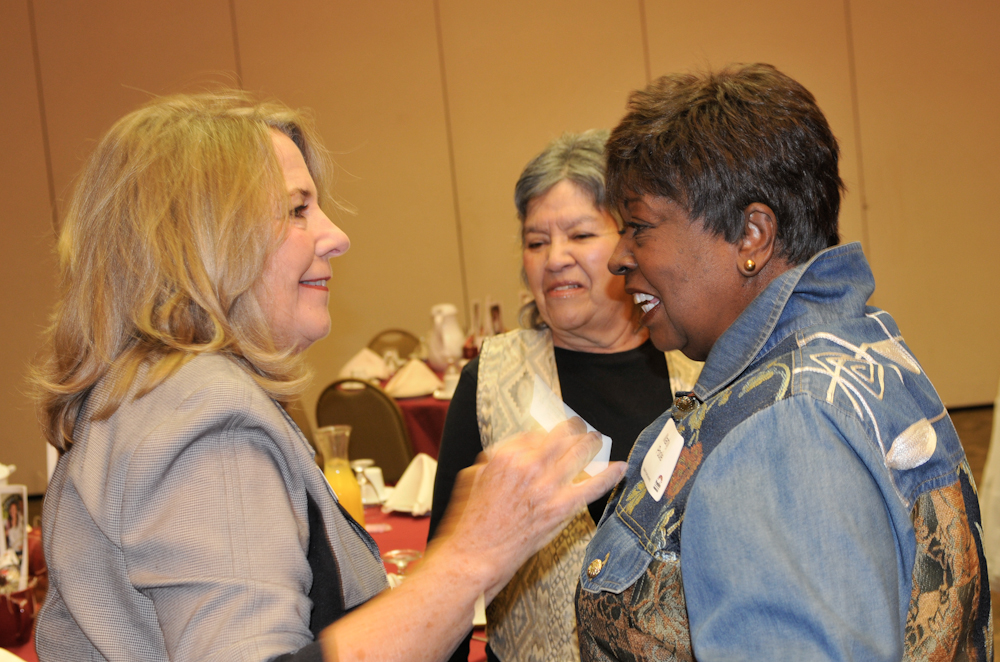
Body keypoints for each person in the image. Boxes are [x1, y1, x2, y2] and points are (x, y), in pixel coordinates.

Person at [31, 90, 625, 662]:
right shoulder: (206, 418)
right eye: (298, 210)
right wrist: (471, 556)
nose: (337, 237)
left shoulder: (148, 393)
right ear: (204, 240)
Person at [574, 64, 992, 660]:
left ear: (752, 236)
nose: (618, 257)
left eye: (639, 227)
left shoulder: (782, 431)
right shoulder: (853, 346)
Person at [428, 130, 700, 662]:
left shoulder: (698, 371)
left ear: (630, 245)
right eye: (536, 242)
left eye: (579, 234)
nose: (555, 258)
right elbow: (444, 587)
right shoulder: (491, 380)